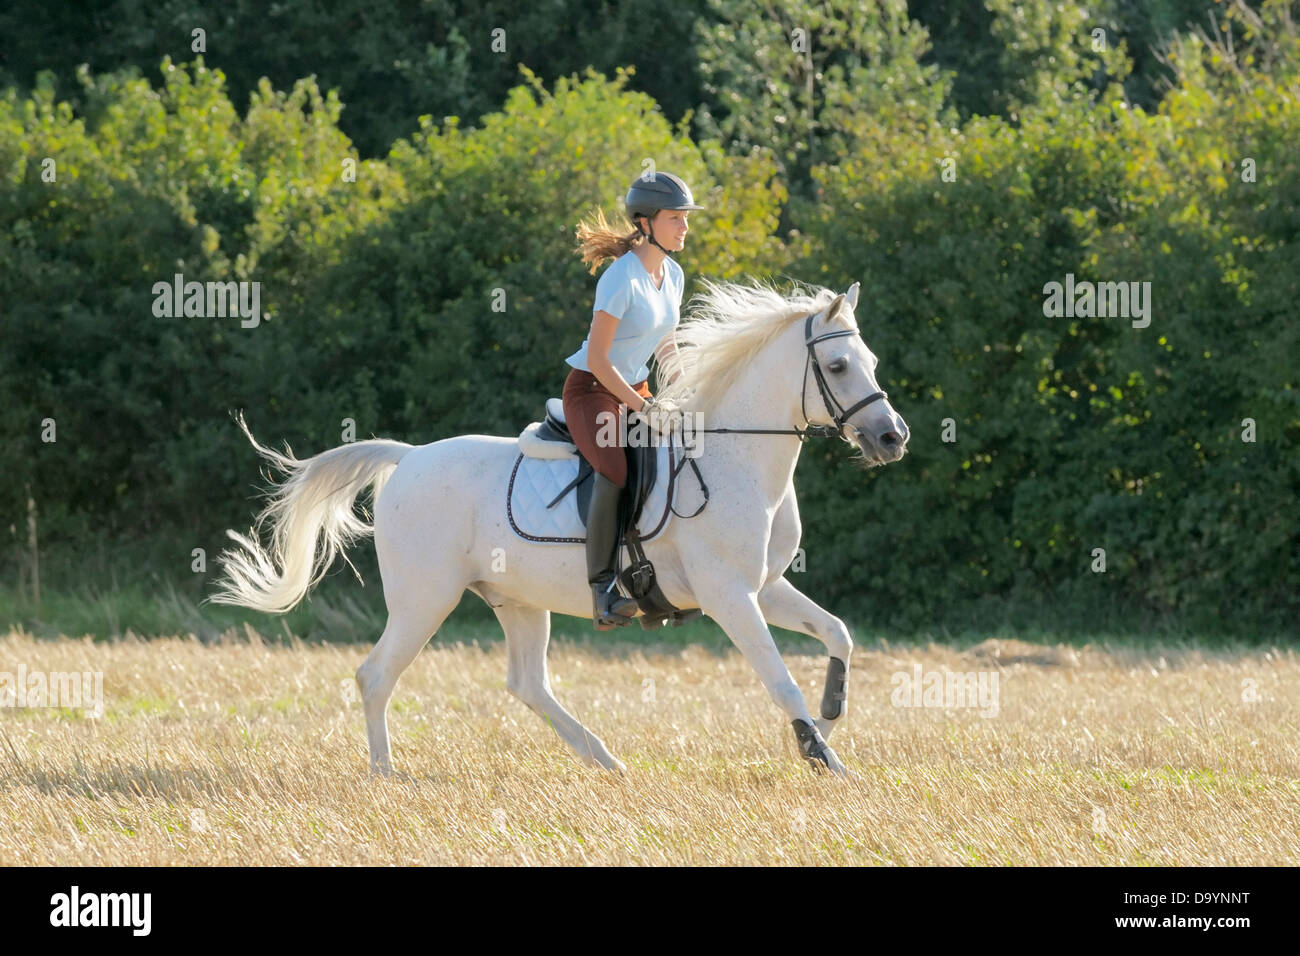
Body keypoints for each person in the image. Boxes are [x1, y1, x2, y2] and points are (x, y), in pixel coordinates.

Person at [565, 171, 703, 629]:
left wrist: (685, 389)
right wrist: (644, 409)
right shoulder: (620, 278)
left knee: (680, 454)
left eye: (685, 218)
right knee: (617, 468)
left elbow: (665, 344)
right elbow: (601, 361)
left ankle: (657, 584)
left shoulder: (674, 274)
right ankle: (602, 590)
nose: (684, 226)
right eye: (675, 218)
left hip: (635, 390)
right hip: (592, 390)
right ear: (645, 223)